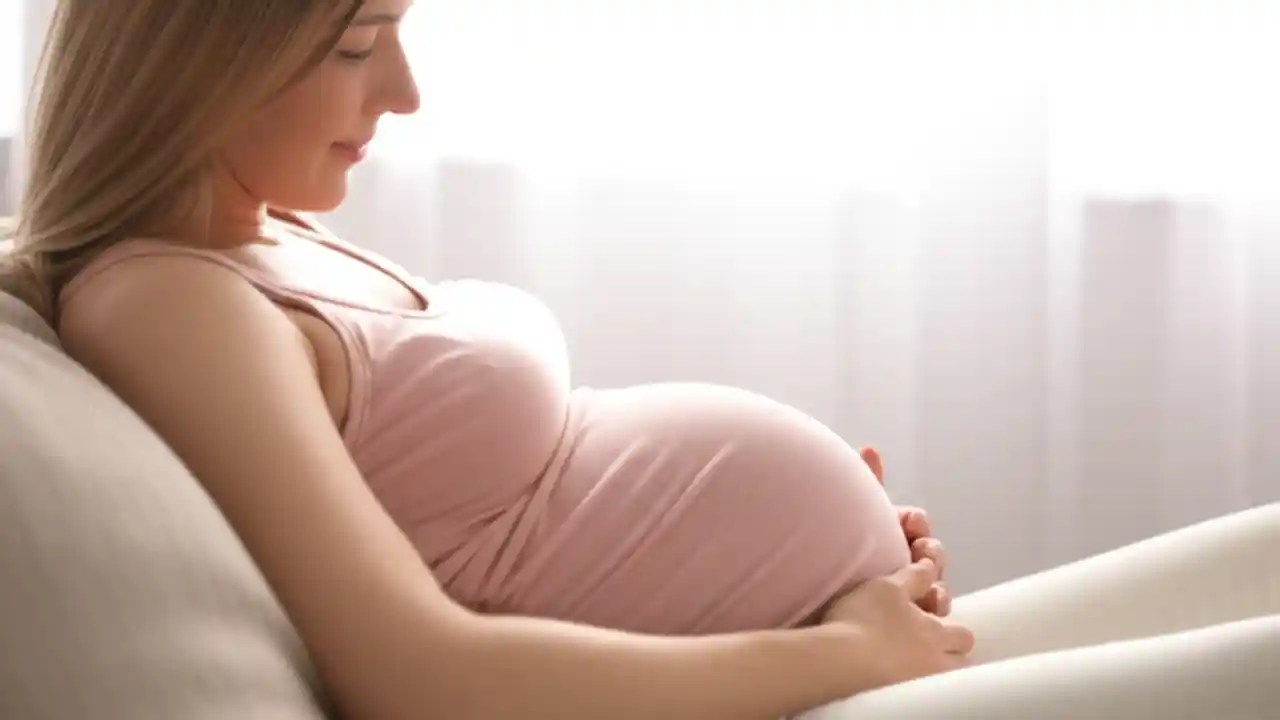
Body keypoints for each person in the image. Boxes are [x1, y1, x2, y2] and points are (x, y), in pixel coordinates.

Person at [0, 2, 1274, 719]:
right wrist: (836, 651)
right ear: (196, 52)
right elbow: (414, 675)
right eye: (353, 43)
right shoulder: (168, 304)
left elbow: (529, 521)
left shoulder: (263, 236)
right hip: (796, 698)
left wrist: (828, 559)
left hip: (816, 658)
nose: (402, 90)